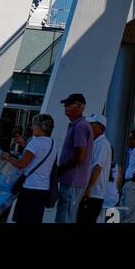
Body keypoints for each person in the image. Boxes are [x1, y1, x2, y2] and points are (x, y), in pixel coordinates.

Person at [3, 113, 57, 225]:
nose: (32, 127)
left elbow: (21, 164)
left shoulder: (35, 142)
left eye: (34, 125)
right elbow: (39, 157)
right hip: (43, 189)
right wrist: (24, 144)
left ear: (41, 127)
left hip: (29, 189)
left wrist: (8, 157)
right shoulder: (53, 143)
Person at [56, 93, 93, 223]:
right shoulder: (76, 125)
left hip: (72, 181)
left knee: (65, 218)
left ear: (79, 107)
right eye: (65, 104)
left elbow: (80, 157)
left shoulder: (80, 126)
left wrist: (60, 169)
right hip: (71, 180)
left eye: (68, 104)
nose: (65, 106)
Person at [78, 114, 112, 225]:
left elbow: (98, 168)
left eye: (91, 124)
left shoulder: (102, 144)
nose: (88, 126)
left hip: (93, 194)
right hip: (91, 193)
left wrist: (88, 189)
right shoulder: (95, 142)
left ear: (99, 126)